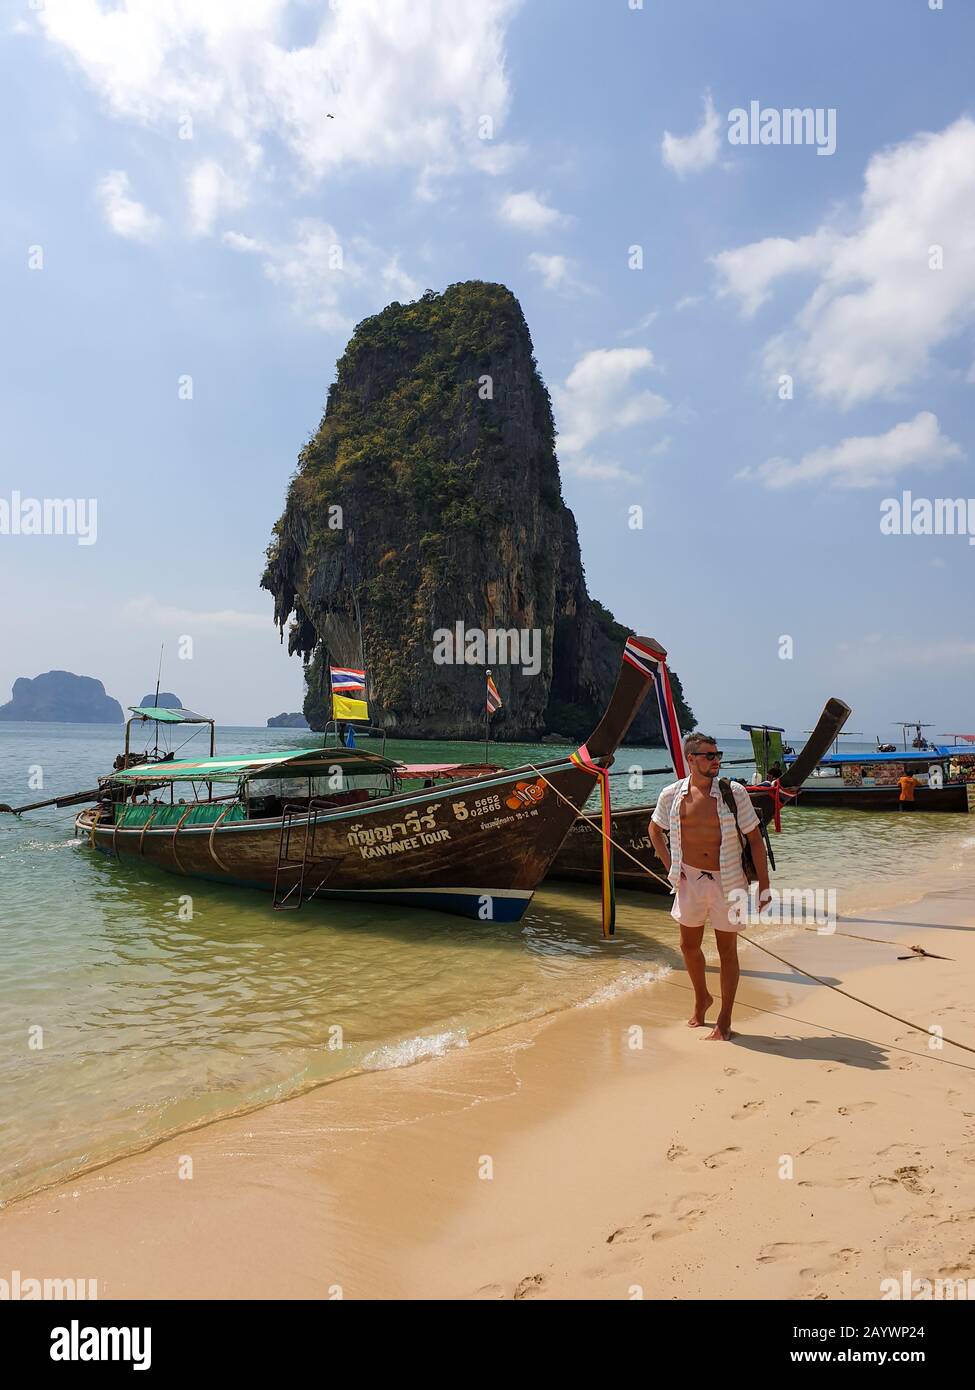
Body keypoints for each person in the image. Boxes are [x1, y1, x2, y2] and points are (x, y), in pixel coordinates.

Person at [649, 732, 771, 1041]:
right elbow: (654, 831)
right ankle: (702, 997)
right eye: (709, 756)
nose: (716, 760)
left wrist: (765, 887)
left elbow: (755, 840)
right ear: (691, 759)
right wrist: (671, 869)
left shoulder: (734, 793)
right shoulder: (671, 795)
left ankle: (725, 1017)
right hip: (690, 879)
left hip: (728, 881)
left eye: (718, 755)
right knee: (688, 947)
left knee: (726, 949)